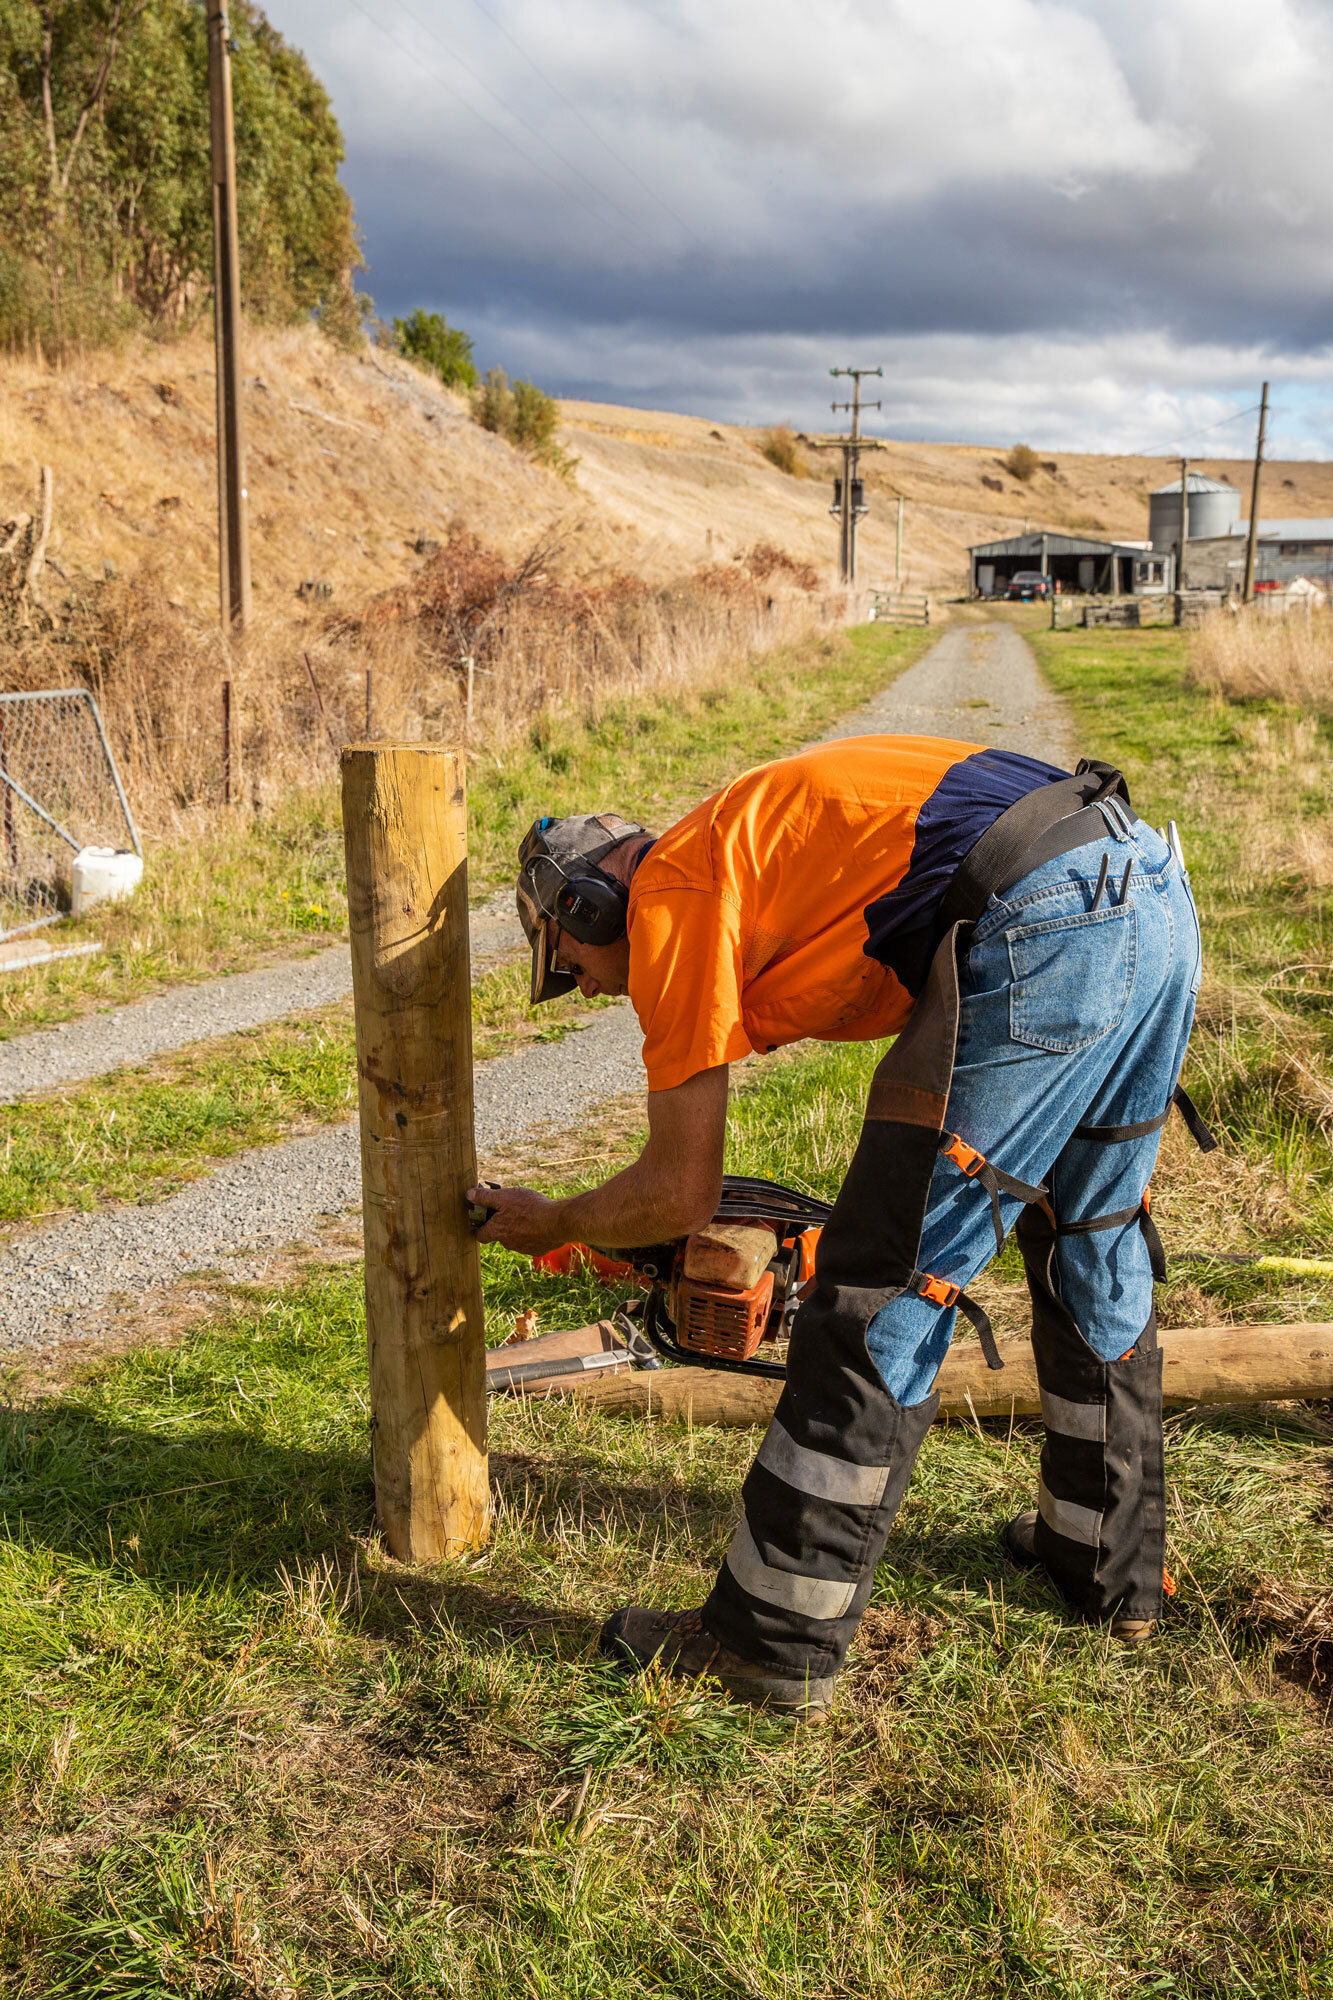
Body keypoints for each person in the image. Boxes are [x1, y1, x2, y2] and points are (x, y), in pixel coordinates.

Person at [472, 734, 1206, 1720]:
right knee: (1091, 1233)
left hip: (1048, 919)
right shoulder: (735, 847)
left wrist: (557, 1221)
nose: (583, 985)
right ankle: (1106, 1564)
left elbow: (679, 1190)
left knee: (883, 1291)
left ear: (586, 903)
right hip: (1147, 885)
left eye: (566, 959)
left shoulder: (671, 892)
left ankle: (768, 1642)